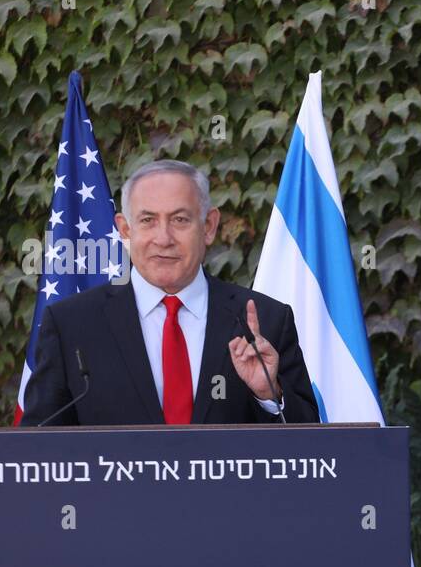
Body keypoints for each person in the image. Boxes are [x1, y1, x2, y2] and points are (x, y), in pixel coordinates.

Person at [19, 159, 319, 426]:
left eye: (180, 220)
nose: (163, 239)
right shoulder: (71, 325)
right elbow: (38, 453)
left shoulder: (266, 319)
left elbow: (311, 451)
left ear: (209, 226)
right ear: (125, 230)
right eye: (148, 220)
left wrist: (268, 394)